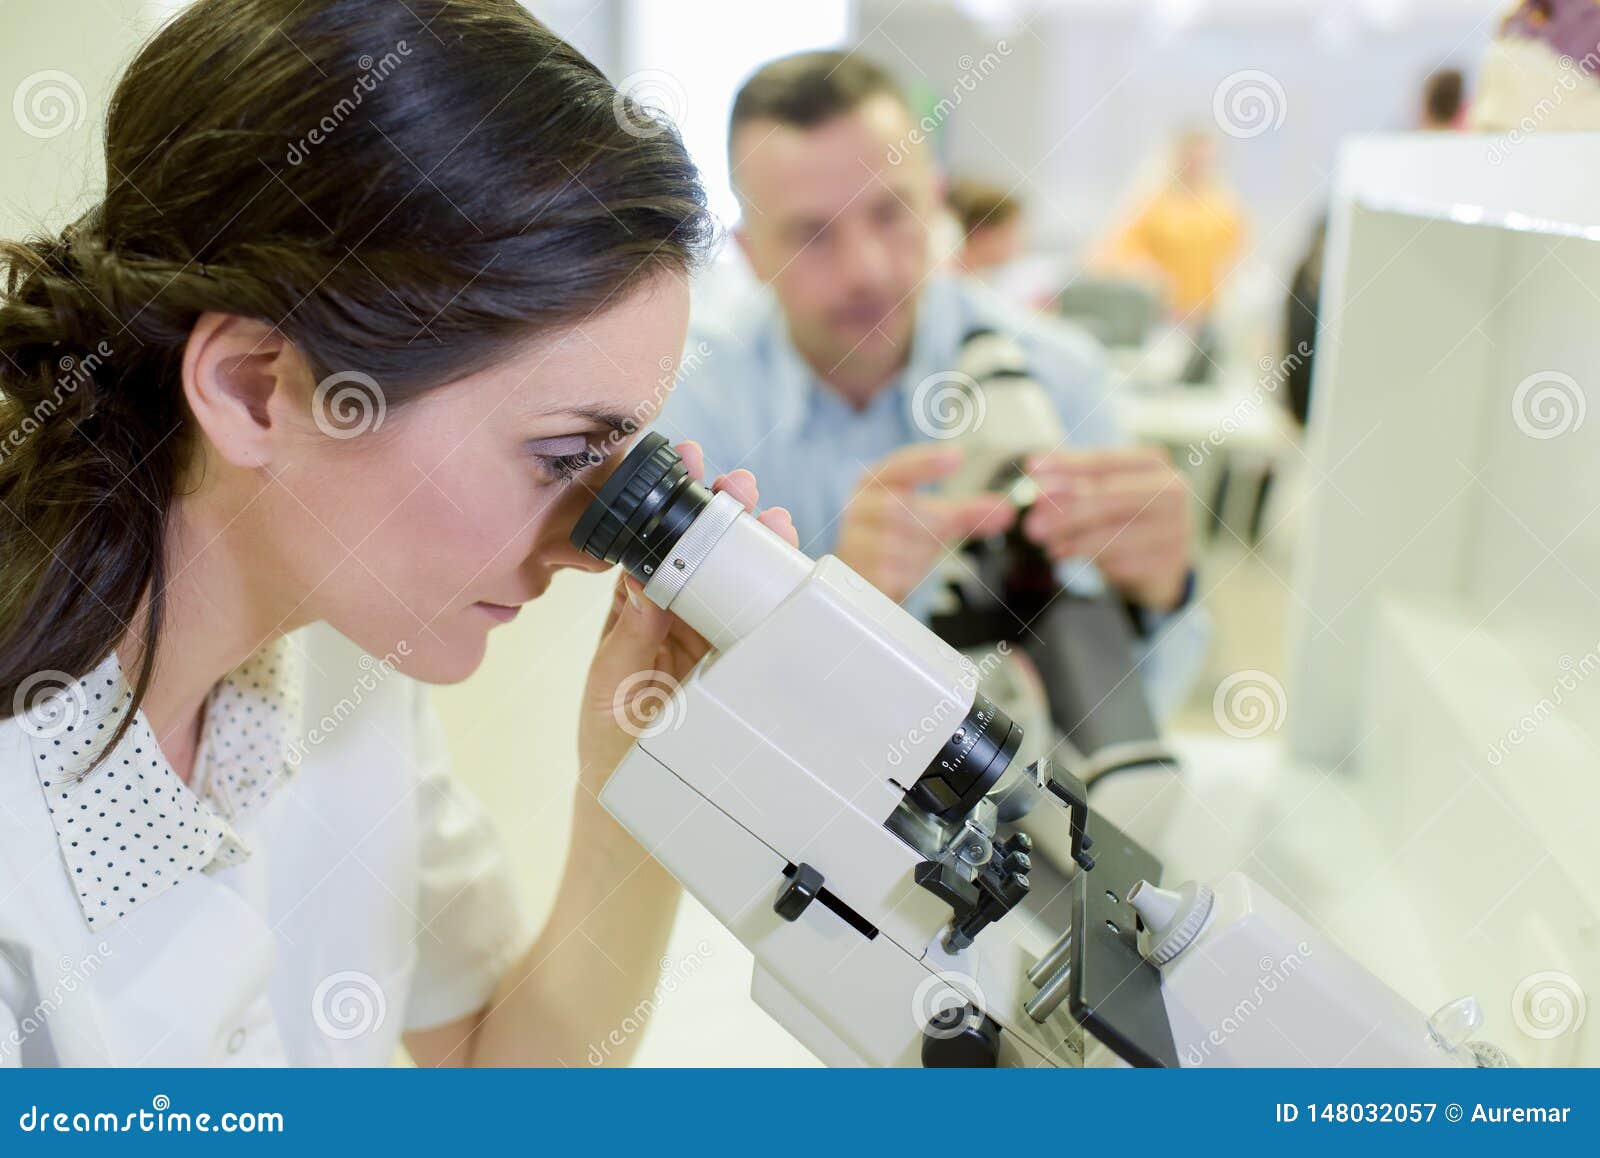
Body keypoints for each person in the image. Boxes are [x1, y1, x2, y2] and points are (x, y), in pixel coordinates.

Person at [0, 0, 796, 1067]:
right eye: (563, 456)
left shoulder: (341, 665)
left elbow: (487, 1084)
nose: (593, 545)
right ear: (252, 389)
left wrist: (638, 786)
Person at [657, 51, 1206, 716]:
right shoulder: (690, 406)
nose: (866, 268)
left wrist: (1164, 593)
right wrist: (834, 614)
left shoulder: (1062, 376)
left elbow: (1135, 714)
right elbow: (680, 715)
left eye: (891, 213)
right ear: (750, 255)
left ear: (936, 203)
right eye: (812, 235)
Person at [1092, 126, 1246, 322]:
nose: (1197, 166)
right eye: (1191, 159)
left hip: (1206, 315)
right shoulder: (1149, 202)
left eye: (1203, 160)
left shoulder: (1224, 206)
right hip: (1160, 315)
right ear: (1176, 157)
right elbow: (1113, 253)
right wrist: (1145, 275)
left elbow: (1238, 256)